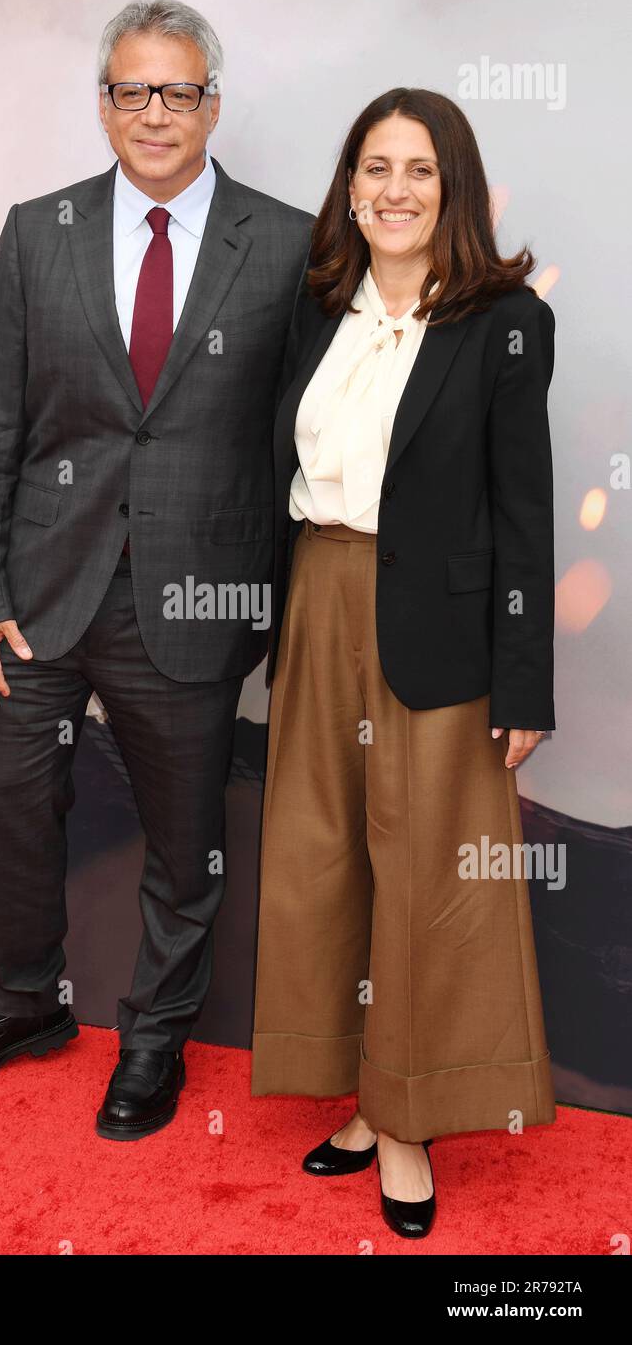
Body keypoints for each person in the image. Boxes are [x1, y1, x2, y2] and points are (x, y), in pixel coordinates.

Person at [0, 0, 313, 1142]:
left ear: (211, 104)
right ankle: (22, 1001)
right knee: (7, 800)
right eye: (130, 91)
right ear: (103, 104)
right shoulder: (39, 232)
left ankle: (152, 1040)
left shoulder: (287, 243)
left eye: (176, 91)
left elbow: (307, 429)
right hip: (36, 594)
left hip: (196, 601)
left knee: (186, 841)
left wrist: (281, 604)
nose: (154, 114)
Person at [251, 88, 556, 1237]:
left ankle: (409, 1125)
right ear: (349, 187)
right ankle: (364, 1097)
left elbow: (524, 513)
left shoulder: (505, 321)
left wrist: (524, 679)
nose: (392, 190)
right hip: (320, 599)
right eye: (372, 168)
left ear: (454, 187)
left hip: (441, 625)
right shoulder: (315, 303)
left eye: (418, 170)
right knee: (322, 857)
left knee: (428, 875)